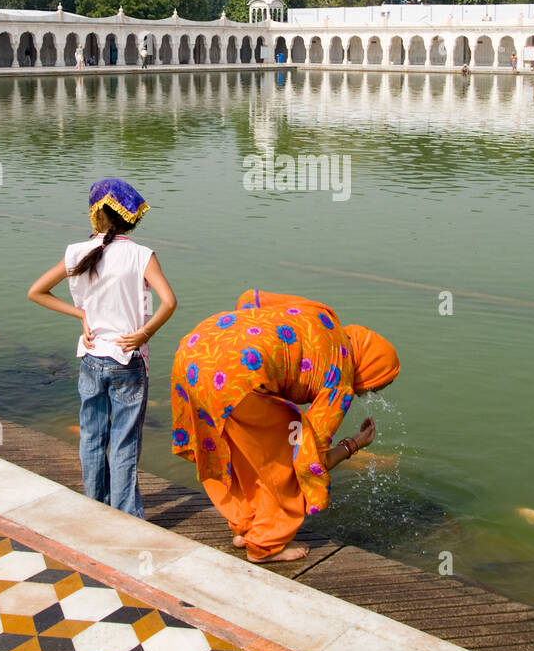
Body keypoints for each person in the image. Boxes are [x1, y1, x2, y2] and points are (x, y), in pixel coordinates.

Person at [170, 289, 400, 563]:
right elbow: (312, 461)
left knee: (241, 450)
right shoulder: (340, 381)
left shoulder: (323, 314)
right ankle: (266, 545)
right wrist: (354, 444)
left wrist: (263, 345)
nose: (366, 394)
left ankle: (247, 527)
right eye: (374, 387)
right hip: (235, 376)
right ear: (368, 367)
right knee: (285, 457)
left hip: (197, 350)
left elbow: (249, 299)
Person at [28, 178, 177, 518]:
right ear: (130, 219)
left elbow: (36, 291)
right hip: (127, 359)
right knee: (124, 442)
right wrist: (144, 333)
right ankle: (125, 516)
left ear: (97, 216)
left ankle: (95, 506)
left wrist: (80, 313)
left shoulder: (76, 252)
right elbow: (169, 302)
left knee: (92, 436)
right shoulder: (141, 255)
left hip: (92, 357)